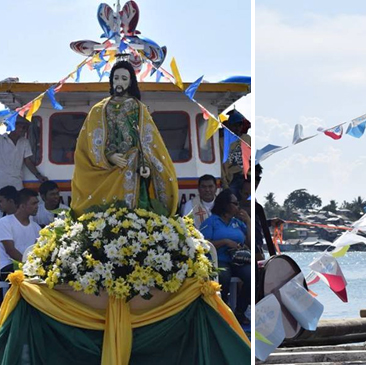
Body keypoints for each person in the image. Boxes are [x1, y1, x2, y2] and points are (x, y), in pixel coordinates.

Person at [71, 60, 178, 217]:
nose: (119, 82)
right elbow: (91, 141)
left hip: (133, 167)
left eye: (123, 78)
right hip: (107, 168)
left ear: (130, 82)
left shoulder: (138, 107)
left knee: (134, 213)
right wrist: (109, 155)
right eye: (116, 78)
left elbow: (147, 142)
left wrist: (145, 164)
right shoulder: (100, 109)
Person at [200, 189, 251, 324]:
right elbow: (204, 244)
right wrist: (225, 242)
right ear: (226, 205)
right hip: (220, 260)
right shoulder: (211, 221)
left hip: (238, 260)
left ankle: (240, 311)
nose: (238, 206)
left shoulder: (237, 222)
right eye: (235, 203)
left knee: (252, 276)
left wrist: (248, 222)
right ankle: (223, 310)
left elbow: (250, 243)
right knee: (223, 276)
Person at [0, 118, 48, 190]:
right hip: (1, 181)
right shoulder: (1, 140)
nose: (24, 130)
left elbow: (27, 161)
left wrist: (38, 175)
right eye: (22, 127)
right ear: (13, 126)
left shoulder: (25, 142)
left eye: (26, 128)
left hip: (17, 182)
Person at [0, 189, 41, 273]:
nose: (37, 206)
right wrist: (28, 266)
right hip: (7, 267)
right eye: (33, 203)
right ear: (22, 206)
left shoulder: (37, 227)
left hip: (27, 267)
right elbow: (10, 250)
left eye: (37, 203)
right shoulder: (4, 222)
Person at [221, 109, 252, 197]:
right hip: (231, 178)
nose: (238, 128)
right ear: (229, 126)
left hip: (246, 177)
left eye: (240, 125)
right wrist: (225, 184)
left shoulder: (247, 138)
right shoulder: (221, 141)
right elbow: (221, 164)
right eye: (235, 125)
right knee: (233, 202)